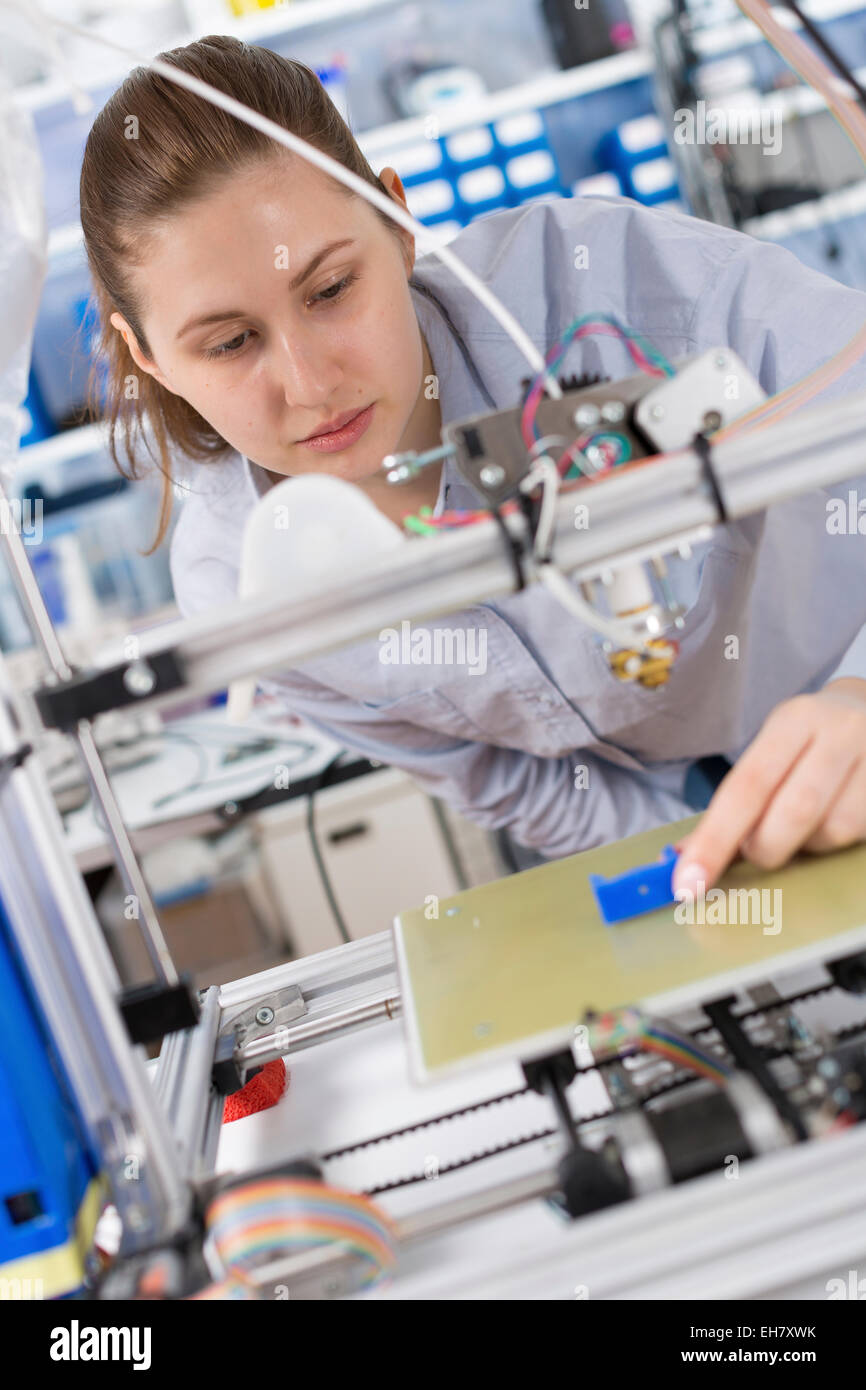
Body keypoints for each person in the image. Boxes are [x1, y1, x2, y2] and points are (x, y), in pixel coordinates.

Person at [79, 35, 866, 897]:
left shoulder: (609, 286)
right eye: (230, 343)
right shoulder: (240, 587)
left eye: (332, 289)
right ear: (147, 356)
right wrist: (717, 866)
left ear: (398, 223)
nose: (311, 384)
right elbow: (507, 780)